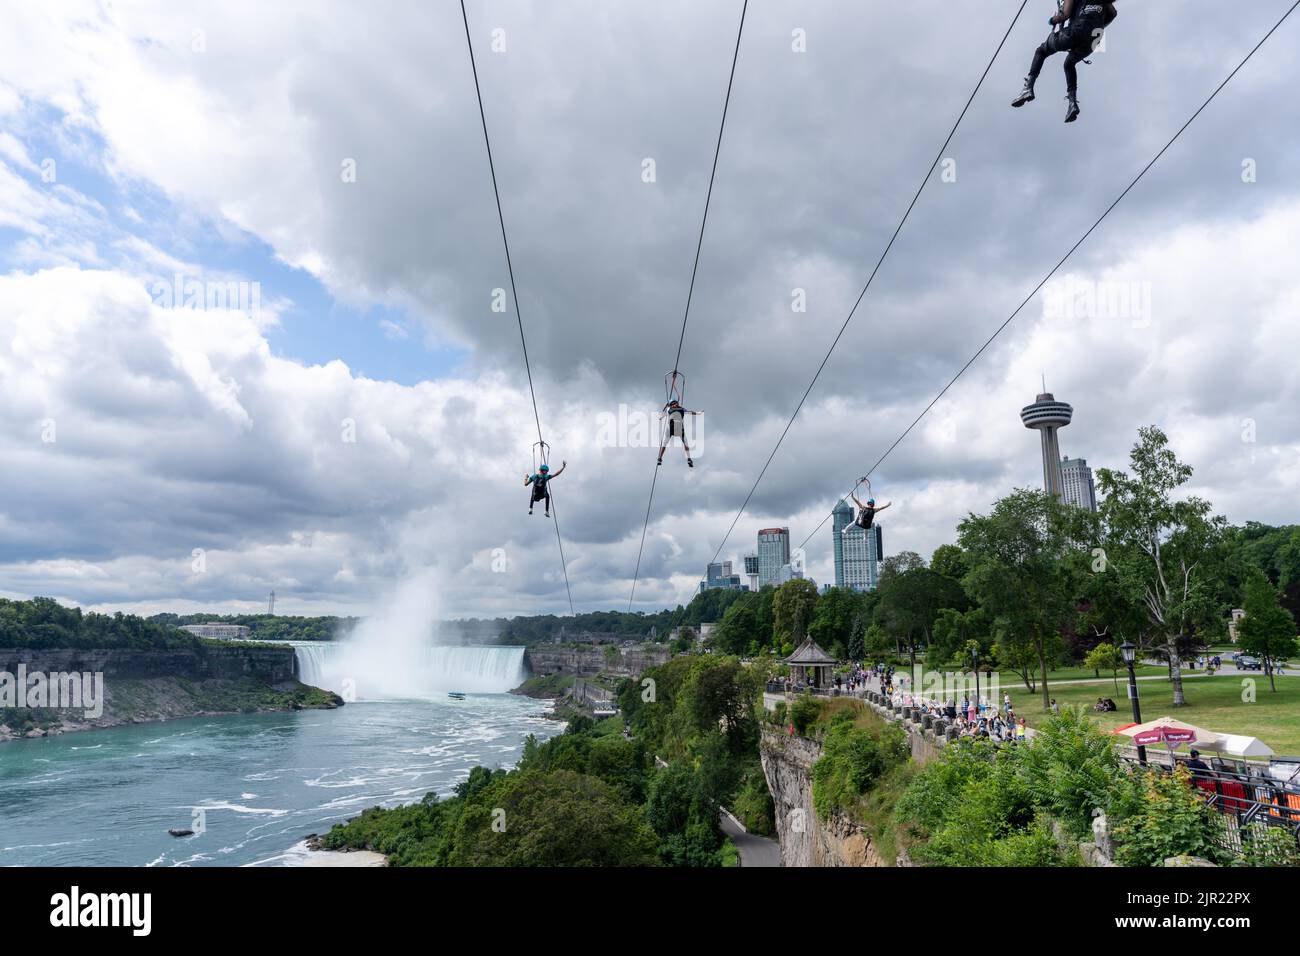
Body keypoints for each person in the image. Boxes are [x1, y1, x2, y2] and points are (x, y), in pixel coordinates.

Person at [1011, 1, 1119, 123]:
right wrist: (1098, 25)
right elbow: (1113, 13)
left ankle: (1028, 88)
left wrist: (1052, 20)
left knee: (1041, 51)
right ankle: (1072, 103)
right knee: (1069, 64)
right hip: (1094, 38)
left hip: (1076, 31)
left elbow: (1065, 15)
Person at [657, 399, 701, 468]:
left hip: (679, 429)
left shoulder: (680, 409)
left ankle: (689, 459)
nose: (675, 404)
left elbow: (689, 412)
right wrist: (665, 408)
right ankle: (660, 458)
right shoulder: (670, 409)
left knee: (686, 443)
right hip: (671, 429)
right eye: (673, 404)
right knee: (664, 443)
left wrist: (698, 413)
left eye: (676, 403)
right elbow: (662, 415)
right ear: (671, 405)